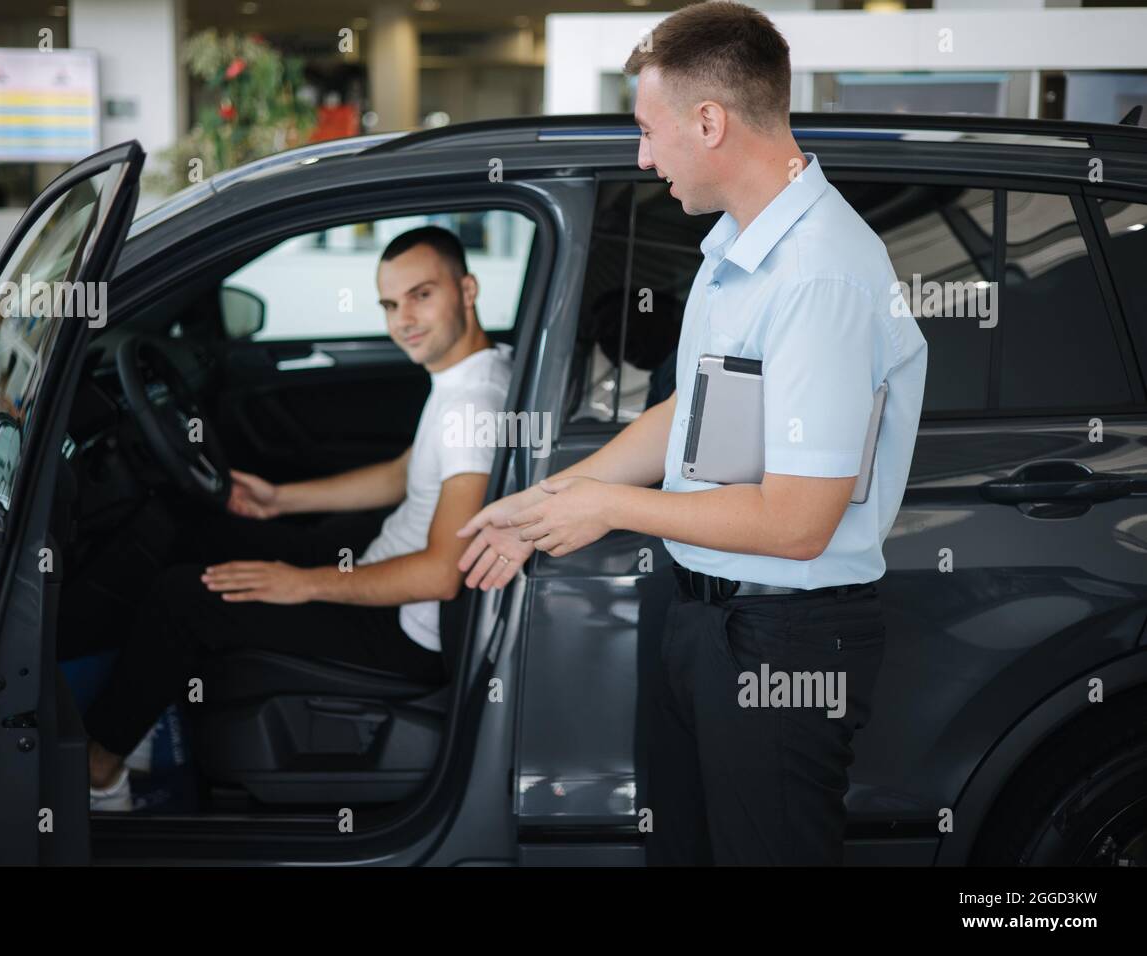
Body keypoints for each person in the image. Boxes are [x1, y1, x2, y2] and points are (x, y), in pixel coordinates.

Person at [457, 0, 928, 865]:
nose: (642, 156)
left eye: (648, 129)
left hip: (782, 636)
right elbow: (700, 414)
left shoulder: (821, 276)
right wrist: (558, 496)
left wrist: (613, 508)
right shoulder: (734, 250)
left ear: (708, 121)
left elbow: (796, 522)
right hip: (704, 618)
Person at [87, 226, 513, 810]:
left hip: (405, 628)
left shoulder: (473, 408)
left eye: (421, 295)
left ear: (467, 289)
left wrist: (302, 584)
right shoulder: (472, 374)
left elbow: (441, 573)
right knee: (203, 532)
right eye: (390, 304)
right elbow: (402, 475)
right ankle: (140, 717)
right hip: (384, 570)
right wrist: (279, 499)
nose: (403, 319)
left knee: (180, 599)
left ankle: (99, 777)